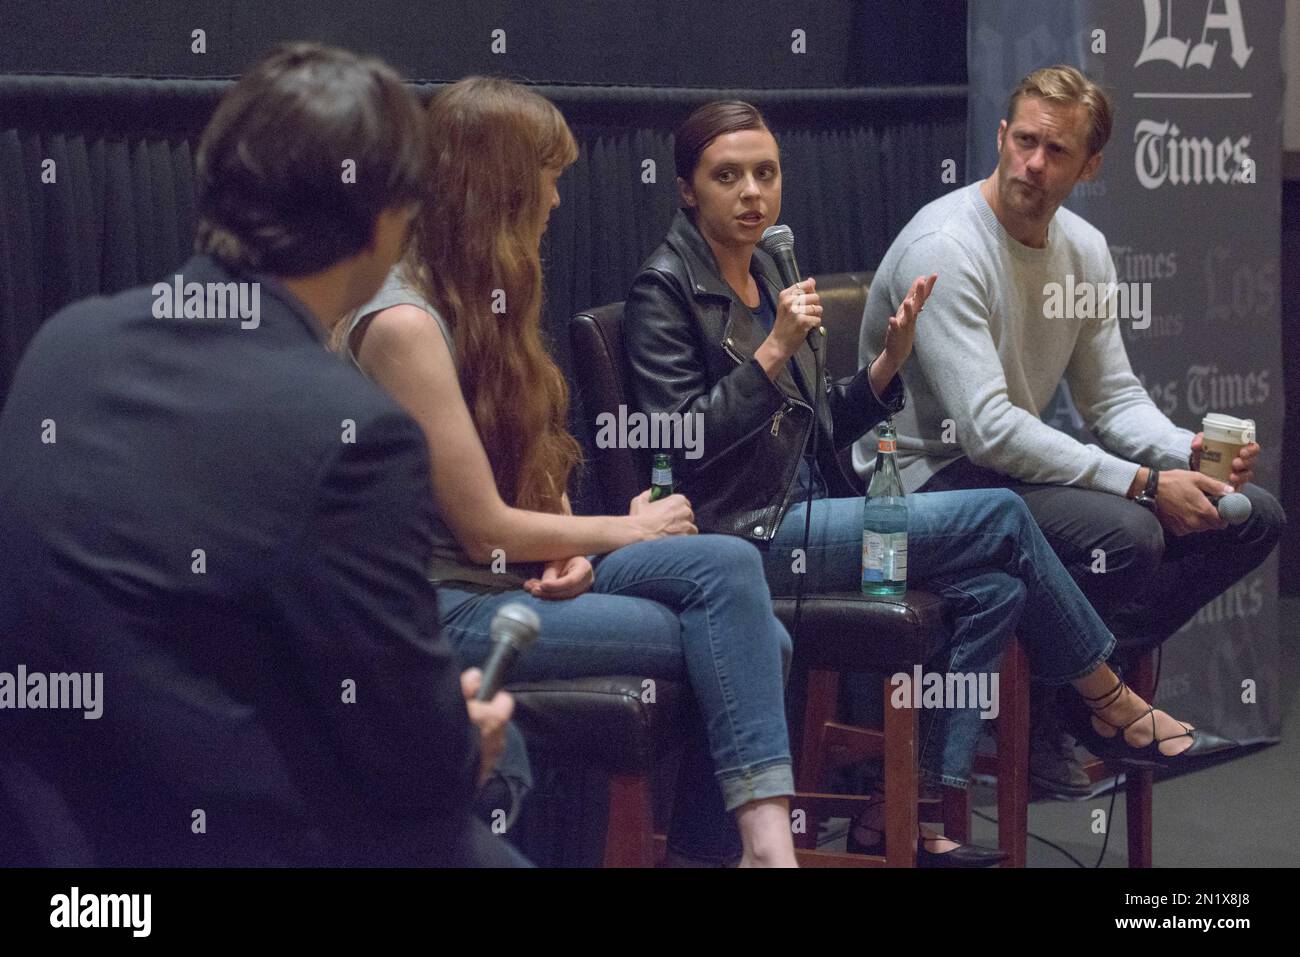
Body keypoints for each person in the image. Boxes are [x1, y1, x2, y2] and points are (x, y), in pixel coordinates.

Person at [622, 99, 1230, 866]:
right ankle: (1106, 699)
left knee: (994, 585)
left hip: (815, 511)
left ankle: (912, 815)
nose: (751, 192)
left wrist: (884, 367)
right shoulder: (665, 289)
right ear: (686, 190)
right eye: (727, 176)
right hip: (740, 538)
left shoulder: (771, 264)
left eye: (765, 173)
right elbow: (679, 437)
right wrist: (772, 353)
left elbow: (810, 425)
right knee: (1002, 517)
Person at [0, 43, 524, 867]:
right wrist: (465, 744)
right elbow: (416, 768)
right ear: (385, 218)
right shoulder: (353, 430)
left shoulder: (66, 343)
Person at [341, 76, 798, 868]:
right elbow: (481, 524)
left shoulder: (483, 295)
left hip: (511, 581)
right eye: (549, 178)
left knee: (729, 569)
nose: (557, 201)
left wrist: (573, 549)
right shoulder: (405, 322)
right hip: (439, 610)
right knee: (764, 636)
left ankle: (749, 852)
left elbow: (527, 462)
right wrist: (629, 526)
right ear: (502, 187)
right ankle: (750, 853)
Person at [856, 64, 1286, 795]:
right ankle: (1091, 701)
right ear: (1000, 135)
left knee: (1248, 517)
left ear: (1089, 164)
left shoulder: (1082, 249)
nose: (1032, 164)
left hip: (1006, 474)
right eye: (1023, 141)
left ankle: (1068, 693)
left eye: (1057, 152)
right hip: (923, 479)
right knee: (1131, 535)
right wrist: (1147, 482)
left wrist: (1188, 453)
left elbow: (1112, 398)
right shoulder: (948, 247)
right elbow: (986, 429)